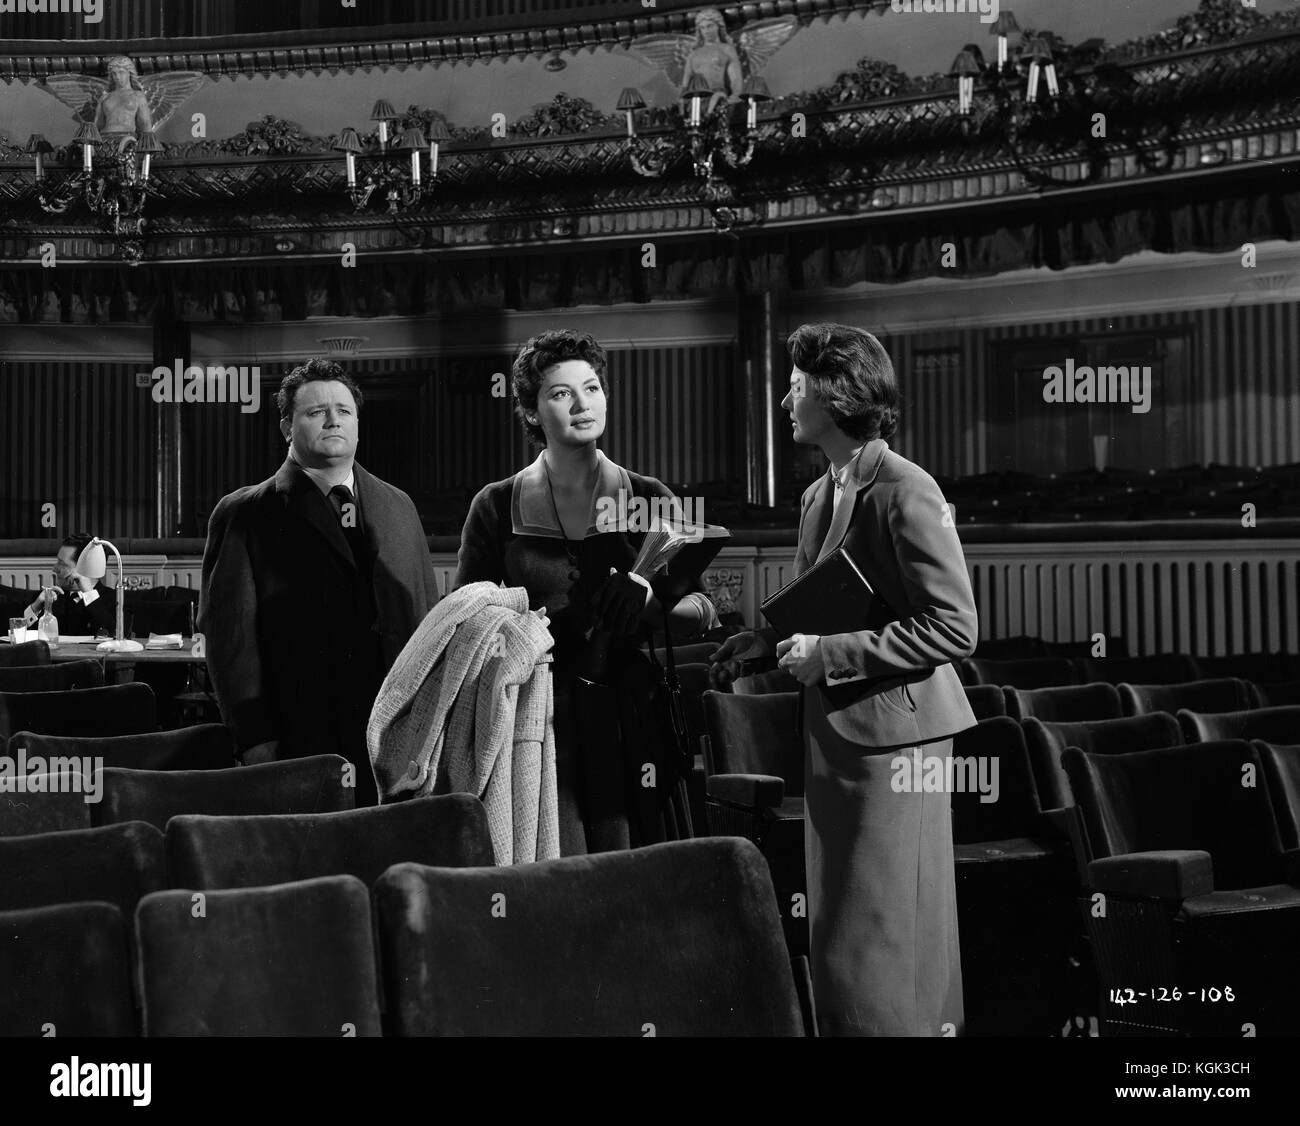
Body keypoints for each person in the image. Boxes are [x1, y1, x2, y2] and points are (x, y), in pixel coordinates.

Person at [712, 323, 978, 1037]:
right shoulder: (818, 494)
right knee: (843, 930)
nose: (782, 401)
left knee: (889, 932)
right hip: (837, 738)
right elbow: (821, 605)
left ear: (834, 397)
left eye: (795, 387)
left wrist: (828, 654)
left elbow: (954, 627)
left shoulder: (907, 489)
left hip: (898, 744)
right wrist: (762, 643)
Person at [456, 329, 717, 856]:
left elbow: (704, 609)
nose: (582, 404)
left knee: (638, 867)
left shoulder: (648, 496)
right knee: (558, 863)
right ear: (531, 411)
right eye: (560, 393)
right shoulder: (495, 504)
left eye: (592, 388)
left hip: (631, 716)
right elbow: (469, 619)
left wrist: (649, 605)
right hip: (539, 716)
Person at [199, 358, 438, 805]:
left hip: (397, 740)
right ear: (286, 427)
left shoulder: (398, 505)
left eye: (344, 411)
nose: (333, 420)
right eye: (316, 412)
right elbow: (231, 645)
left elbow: (424, 620)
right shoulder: (244, 512)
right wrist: (254, 742)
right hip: (299, 738)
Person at [19, 532, 117, 635]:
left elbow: (118, 637)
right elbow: (16, 637)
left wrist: (89, 594)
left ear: (85, 568)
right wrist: (36, 607)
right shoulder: (48, 600)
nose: (55, 569)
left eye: (62, 564)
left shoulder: (114, 600)